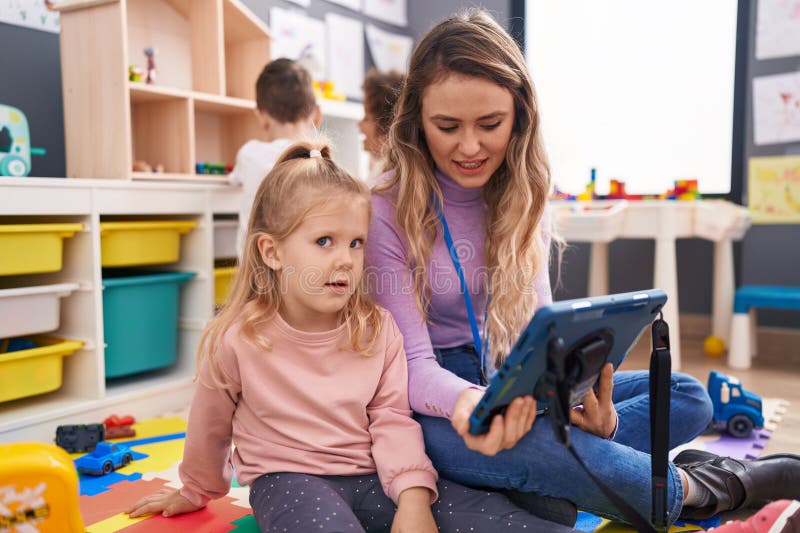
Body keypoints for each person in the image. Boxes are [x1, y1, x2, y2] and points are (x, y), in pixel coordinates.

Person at [366, 8, 800, 529]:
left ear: (519, 115)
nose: (470, 146)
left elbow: (541, 329)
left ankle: (559, 477)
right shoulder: (385, 208)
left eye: (490, 124)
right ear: (417, 119)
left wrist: (590, 410)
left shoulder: (524, 193)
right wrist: (479, 407)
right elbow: (413, 368)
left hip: (510, 379)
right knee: (476, 442)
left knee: (686, 396)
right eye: (446, 126)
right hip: (432, 399)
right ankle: (712, 487)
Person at [125, 140, 580, 533]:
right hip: (287, 478)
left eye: (355, 243)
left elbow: (392, 419)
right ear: (272, 251)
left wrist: (414, 498)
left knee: (523, 520)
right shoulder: (236, 339)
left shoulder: (377, 330)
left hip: (373, 476)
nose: (345, 259)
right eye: (324, 241)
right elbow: (209, 425)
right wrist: (196, 489)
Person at [228, 58, 322, 253]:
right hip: (302, 273)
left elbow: (232, 181)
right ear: (317, 114)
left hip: (253, 274)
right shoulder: (321, 160)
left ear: (261, 116)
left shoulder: (249, 153)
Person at [359, 68, 405, 181]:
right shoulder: (379, 170)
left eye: (366, 118)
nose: (359, 125)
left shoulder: (386, 181)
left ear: (389, 125)